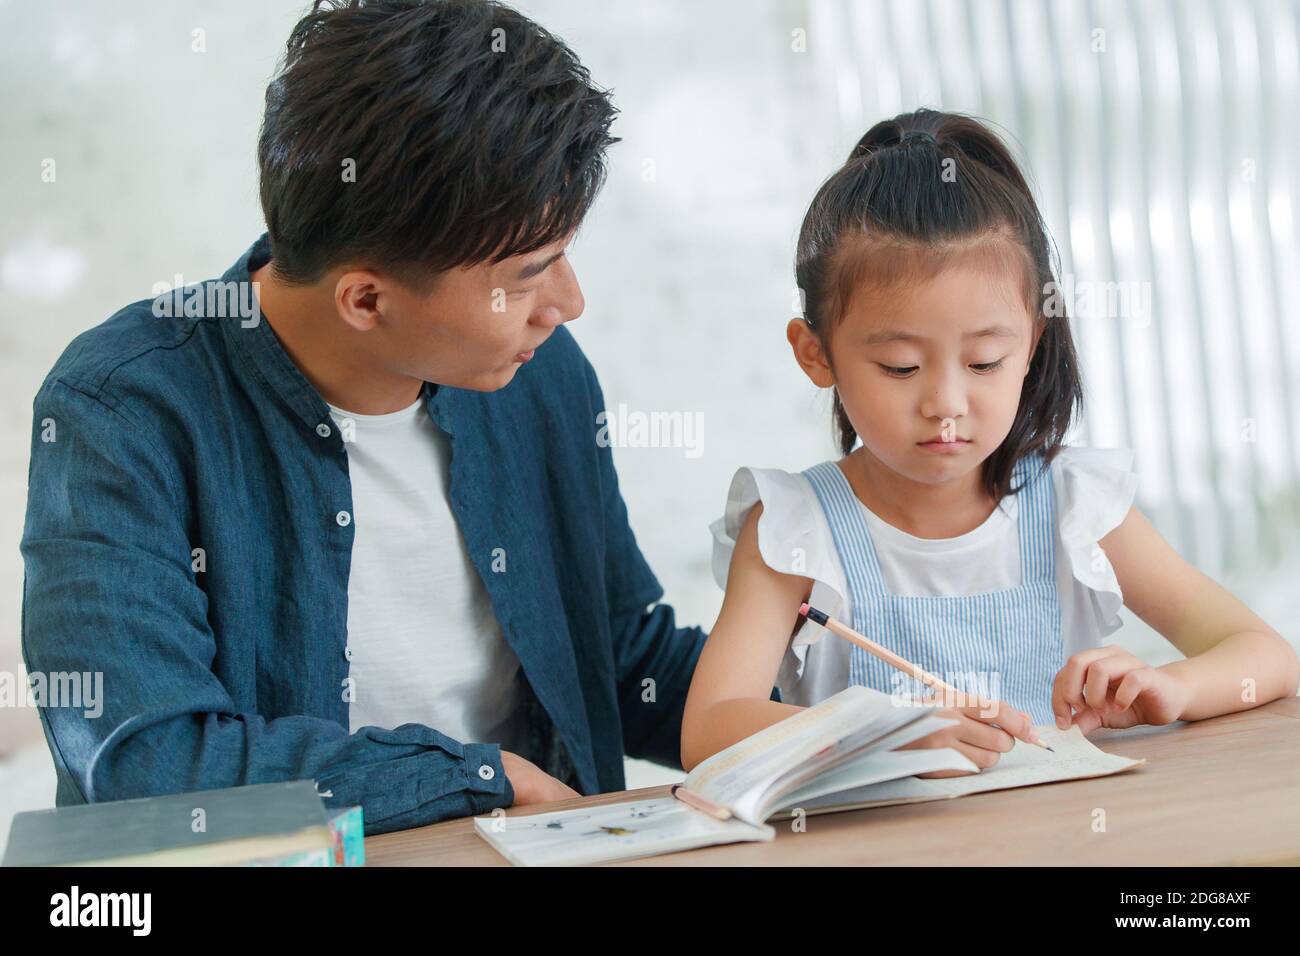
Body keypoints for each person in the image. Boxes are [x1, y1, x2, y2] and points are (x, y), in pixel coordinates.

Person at [20, 0, 718, 835]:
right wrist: (472, 778)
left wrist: (826, 715)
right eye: (530, 275)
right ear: (364, 298)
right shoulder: (121, 408)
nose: (568, 305)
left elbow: (612, 658)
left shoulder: (541, 376)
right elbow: (147, 765)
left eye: (563, 255)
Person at [681, 109, 1298, 773]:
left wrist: (1172, 688)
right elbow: (711, 730)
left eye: (983, 363)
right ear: (816, 354)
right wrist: (886, 733)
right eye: (900, 368)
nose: (945, 403)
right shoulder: (795, 530)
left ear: (1033, 342)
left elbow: (1263, 654)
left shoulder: (1073, 504)